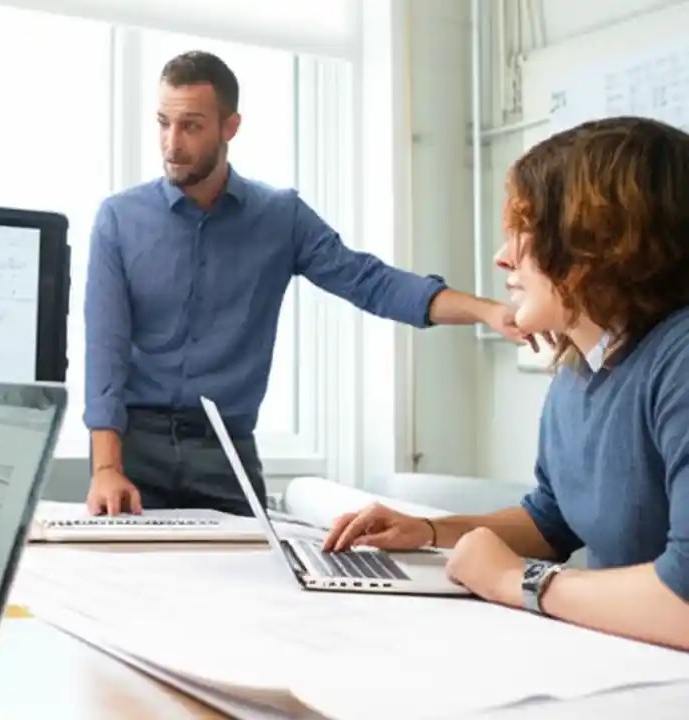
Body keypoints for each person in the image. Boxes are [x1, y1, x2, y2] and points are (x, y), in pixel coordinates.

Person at [83, 50, 533, 516]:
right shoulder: (119, 219)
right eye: (163, 123)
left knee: (256, 584)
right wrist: (105, 468)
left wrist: (488, 312)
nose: (171, 143)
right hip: (135, 453)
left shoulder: (280, 217)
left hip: (226, 452)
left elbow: (370, 282)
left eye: (191, 126)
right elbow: (105, 350)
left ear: (230, 127)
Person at [324, 116, 689, 650]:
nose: (503, 256)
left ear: (600, 241)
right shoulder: (578, 373)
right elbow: (551, 521)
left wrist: (514, 581)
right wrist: (428, 531)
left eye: (526, 230)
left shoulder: (678, 359)